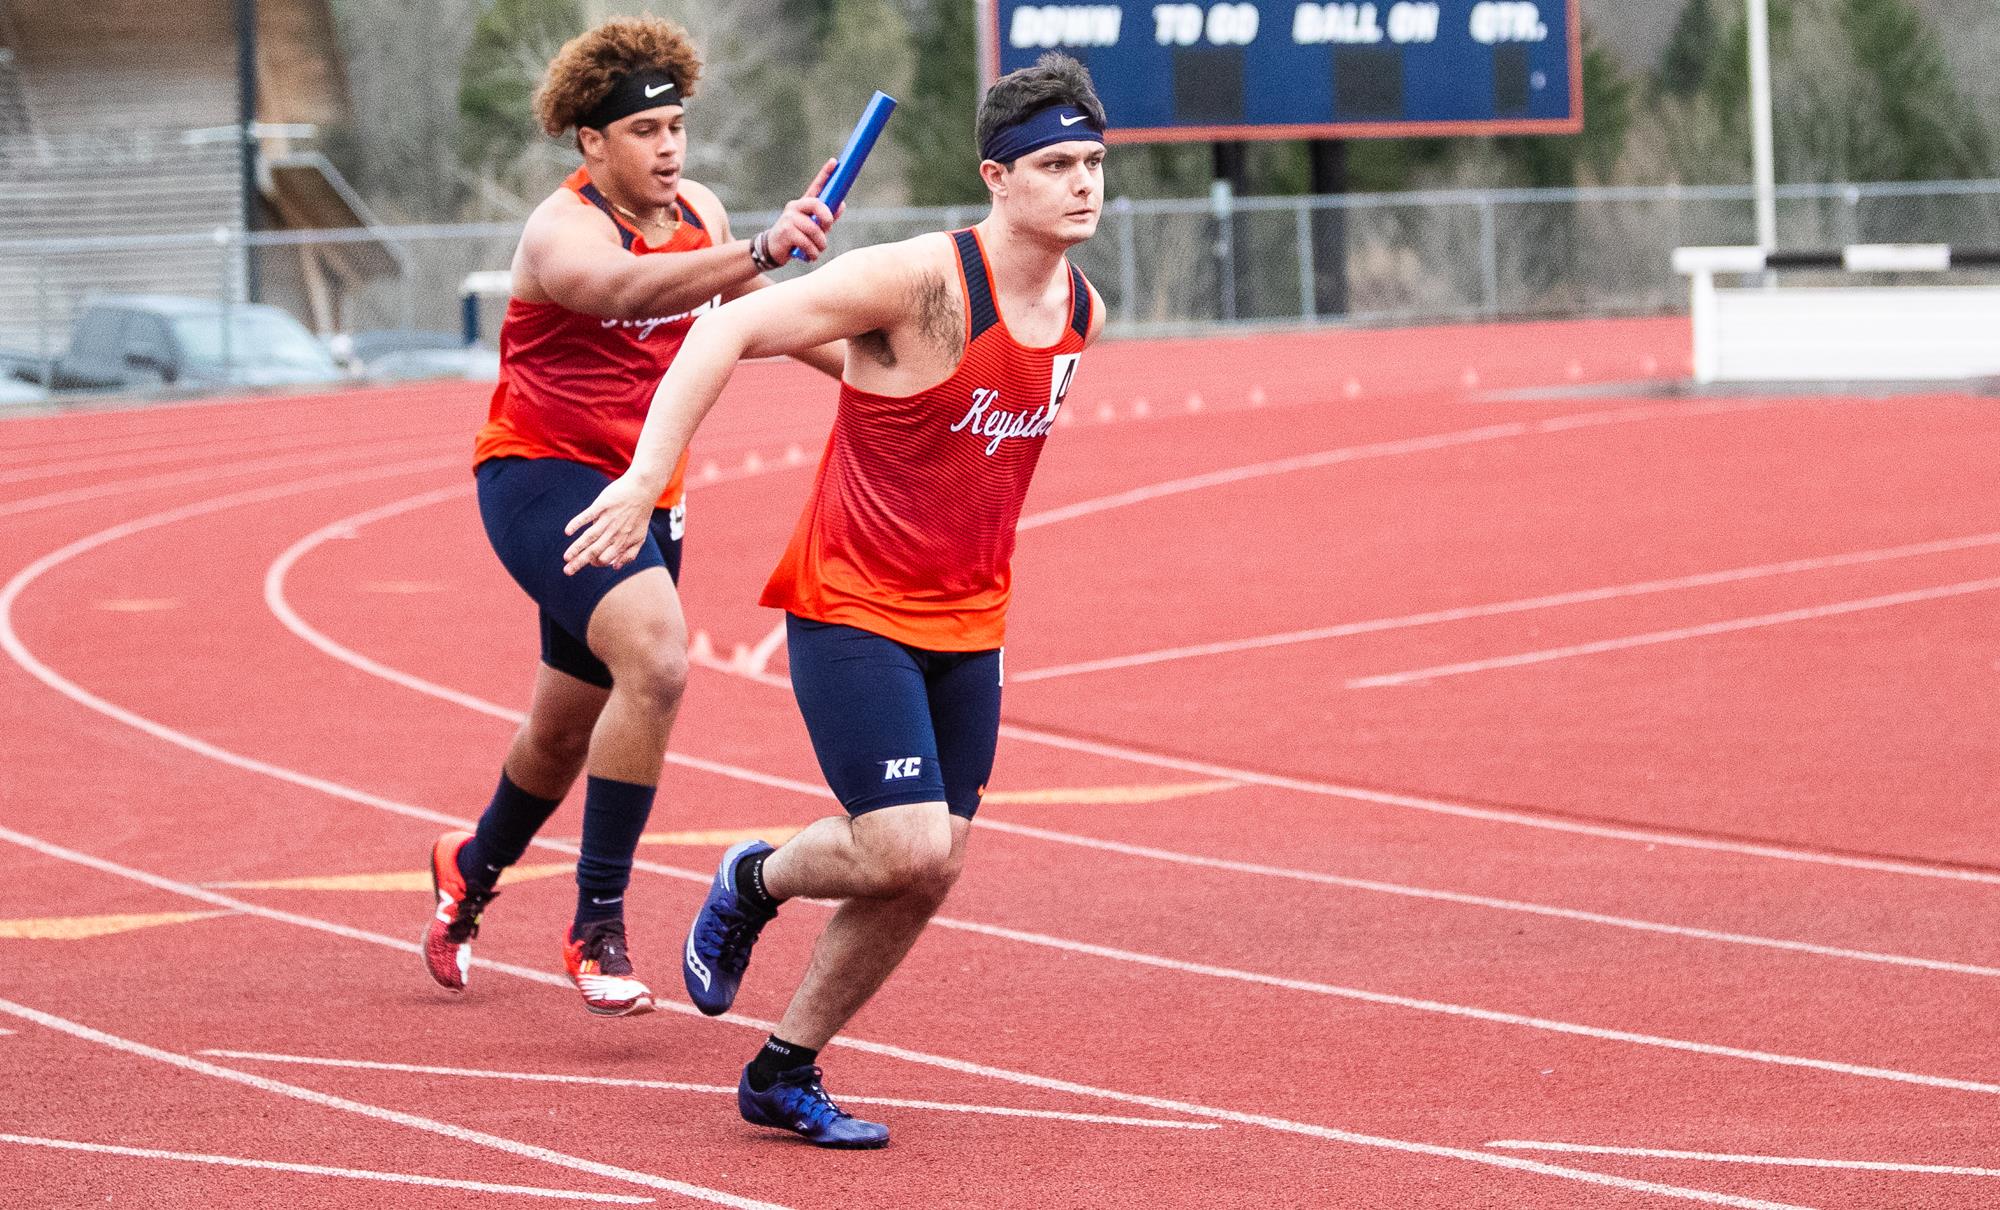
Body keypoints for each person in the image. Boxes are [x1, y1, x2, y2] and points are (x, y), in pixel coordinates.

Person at [562, 53, 1108, 1143]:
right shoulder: (916, 278)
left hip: (972, 621)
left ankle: (782, 1067)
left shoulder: (1085, 311)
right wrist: (639, 475)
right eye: (1053, 163)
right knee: (902, 846)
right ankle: (754, 878)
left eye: (1093, 161)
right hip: (853, 604)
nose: (1082, 182)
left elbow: (913, 399)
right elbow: (726, 327)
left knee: (929, 868)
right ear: (997, 178)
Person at [422, 14, 847, 1018]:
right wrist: (758, 249)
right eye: (646, 133)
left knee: (563, 730)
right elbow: (618, 286)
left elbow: (741, 321)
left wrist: (876, 375)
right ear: (591, 142)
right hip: (544, 477)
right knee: (657, 660)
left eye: (677, 128)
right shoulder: (560, 230)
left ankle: (467, 869)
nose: (669, 150)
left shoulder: (698, 207)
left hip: (649, 488)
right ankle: (596, 919)